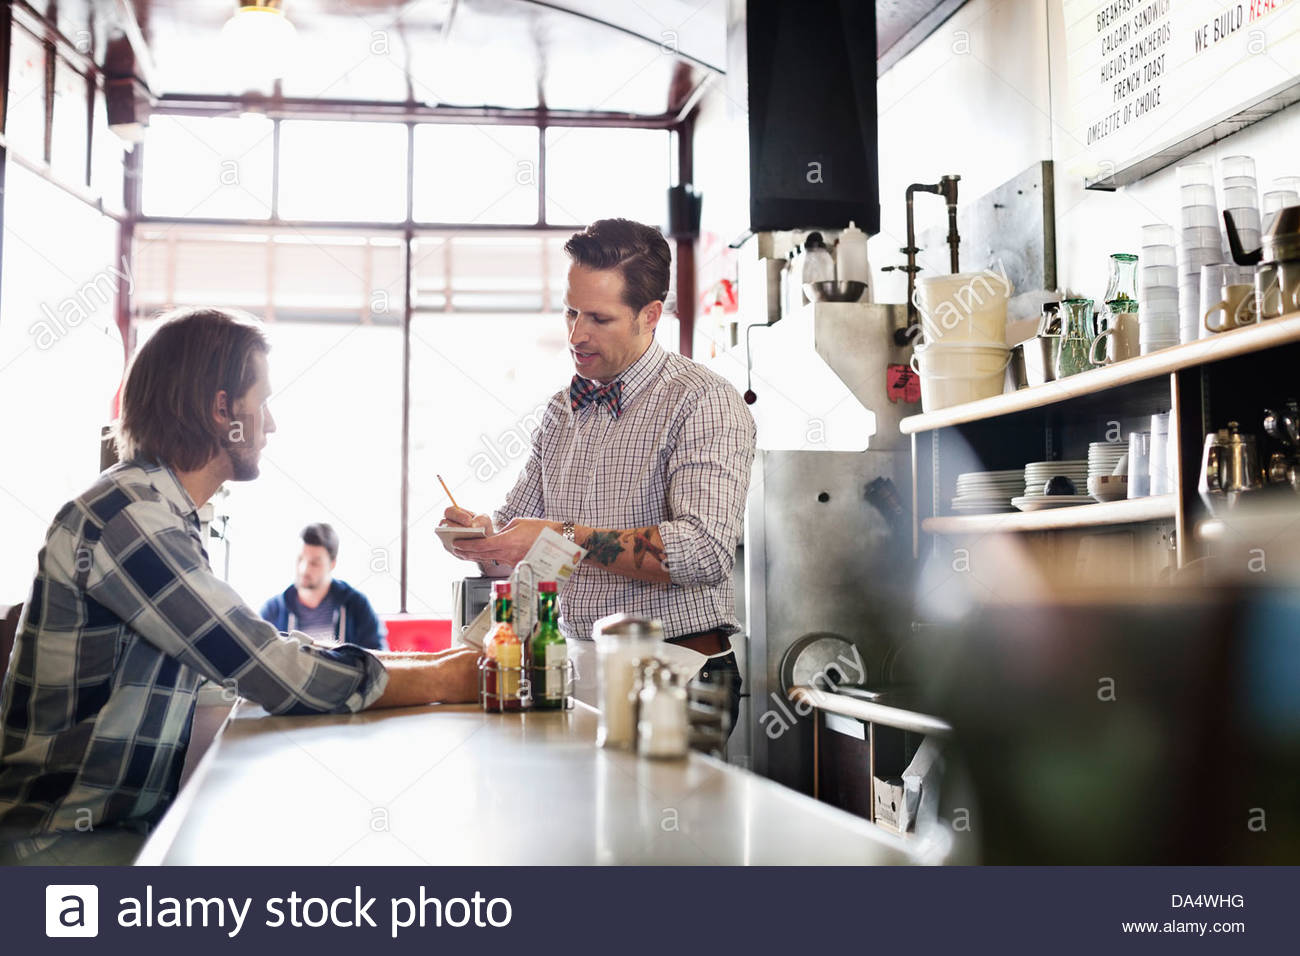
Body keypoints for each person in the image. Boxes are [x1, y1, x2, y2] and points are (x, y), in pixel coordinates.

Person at [0, 308, 478, 865]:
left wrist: (441, 661)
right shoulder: (130, 519)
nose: (270, 424)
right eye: (263, 401)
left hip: (115, 830)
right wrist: (446, 676)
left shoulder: (163, 513)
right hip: (55, 848)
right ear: (222, 408)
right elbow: (267, 667)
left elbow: (260, 651)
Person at [438, 218, 756, 734]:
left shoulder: (703, 401)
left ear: (650, 316)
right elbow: (520, 542)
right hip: (574, 670)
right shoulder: (561, 411)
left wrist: (560, 538)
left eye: (599, 319)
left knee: (659, 819)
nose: (575, 334)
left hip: (675, 675)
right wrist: (483, 539)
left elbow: (704, 551)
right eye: (570, 311)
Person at [260, 523, 386, 650]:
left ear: (332, 564)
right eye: (300, 559)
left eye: (314, 563)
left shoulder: (357, 605)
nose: (304, 569)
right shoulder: (273, 610)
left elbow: (377, 659)